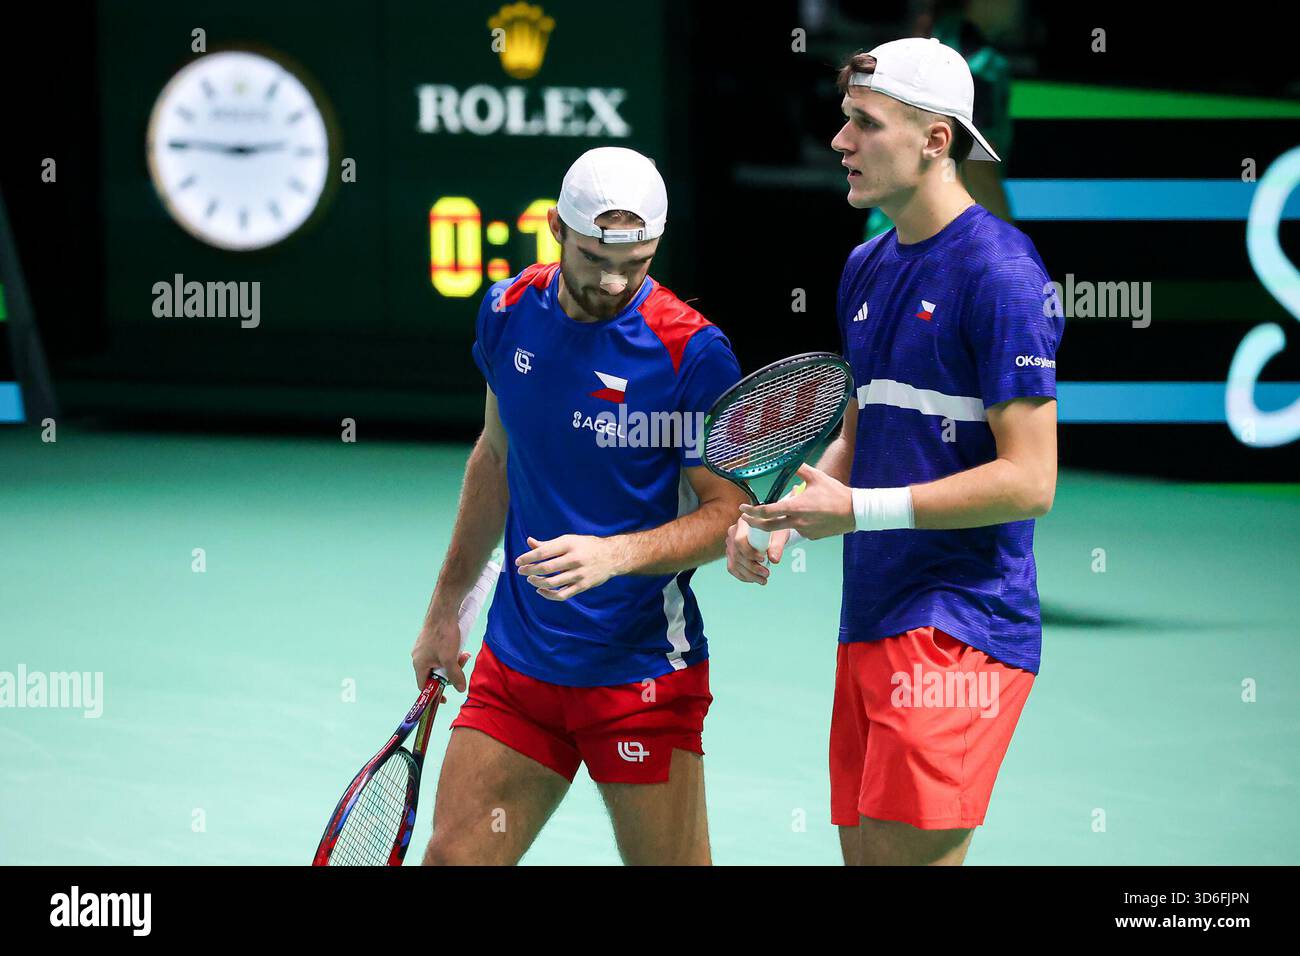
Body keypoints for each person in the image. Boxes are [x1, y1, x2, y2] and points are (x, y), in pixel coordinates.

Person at [726, 37, 1062, 866]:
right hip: (871, 614)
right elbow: (858, 434)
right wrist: (785, 520)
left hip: (963, 624)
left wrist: (858, 512)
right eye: (845, 121)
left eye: (865, 125)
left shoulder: (1004, 275)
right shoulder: (864, 267)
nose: (841, 142)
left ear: (936, 140)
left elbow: (1031, 479)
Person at [411, 146, 745, 865]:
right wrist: (444, 609)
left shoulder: (691, 351)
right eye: (596, 257)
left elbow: (725, 515)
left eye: (638, 260)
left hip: (639, 672)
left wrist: (615, 554)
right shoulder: (506, 312)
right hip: (519, 665)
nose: (615, 279)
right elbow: (496, 453)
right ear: (558, 231)